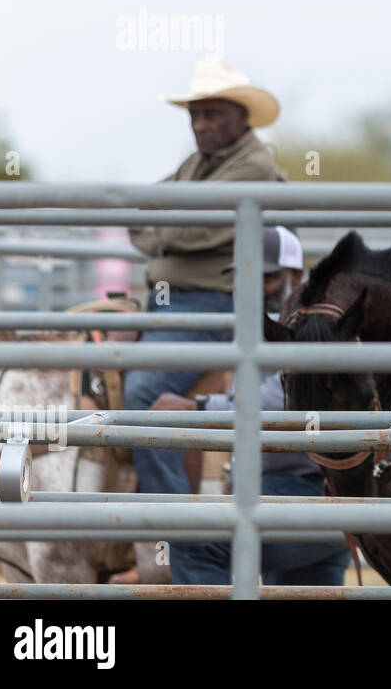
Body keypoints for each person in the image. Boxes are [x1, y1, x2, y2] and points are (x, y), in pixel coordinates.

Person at [151, 226, 352, 586]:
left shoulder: (315, 326)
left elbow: (282, 402)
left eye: (267, 277)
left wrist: (198, 408)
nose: (254, 288)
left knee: (196, 539)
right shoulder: (268, 328)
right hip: (302, 488)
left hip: (309, 486)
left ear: (296, 276)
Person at [125, 59, 285, 508]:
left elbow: (184, 231)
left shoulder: (253, 166)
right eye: (195, 114)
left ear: (242, 117)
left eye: (212, 113)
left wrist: (166, 232)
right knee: (91, 360)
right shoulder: (201, 163)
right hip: (174, 303)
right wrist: (167, 229)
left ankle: (173, 522)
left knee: (141, 391)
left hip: (213, 305)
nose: (200, 124)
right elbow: (142, 214)